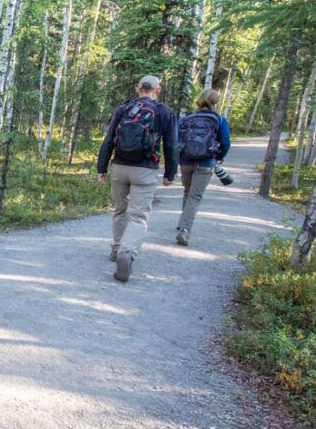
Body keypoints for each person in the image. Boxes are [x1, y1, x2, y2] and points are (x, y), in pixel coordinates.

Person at [96, 75, 178, 282]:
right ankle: (127, 252)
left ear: (138, 89)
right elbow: (171, 145)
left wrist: (101, 169)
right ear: (157, 90)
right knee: (138, 216)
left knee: (120, 210)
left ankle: (116, 249)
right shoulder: (165, 113)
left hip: (120, 167)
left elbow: (108, 141)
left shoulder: (123, 110)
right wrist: (170, 173)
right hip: (145, 169)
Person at [175, 88, 231, 245]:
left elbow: (177, 138)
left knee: (187, 192)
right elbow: (225, 143)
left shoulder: (186, 119)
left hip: (185, 161)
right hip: (205, 163)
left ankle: (182, 224)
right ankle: (184, 230)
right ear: (215, 102)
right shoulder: (219, 120)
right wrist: (219, 157)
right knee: (195, 196)